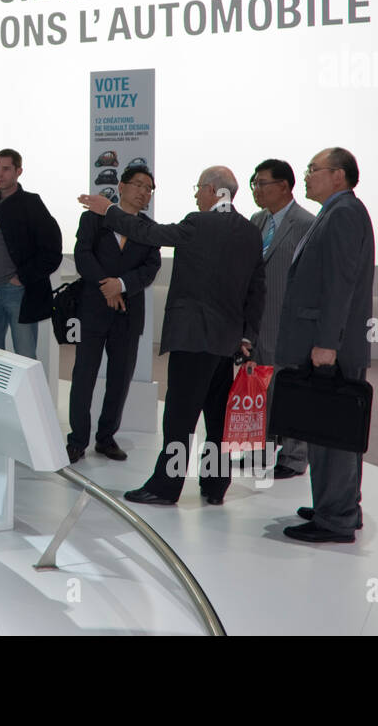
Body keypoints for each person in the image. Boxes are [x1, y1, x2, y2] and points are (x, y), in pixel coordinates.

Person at [78, 165, 265, 505]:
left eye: (198, 188)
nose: (196, 195)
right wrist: (247, 335)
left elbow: (152, 235)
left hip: (193, 337)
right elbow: (257, 287)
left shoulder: (198, 222)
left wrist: (110, 211)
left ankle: (165, 487)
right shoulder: (250, 231)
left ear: (212, 190)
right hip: (226, 342)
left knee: (180, 418)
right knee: (217, 420)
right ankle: (214, 486)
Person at [277, 147, 374, 544]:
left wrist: (326, 342)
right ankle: (339, 505)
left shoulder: (345, 213)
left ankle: (335, 517)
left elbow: (340, 284)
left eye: (313, 170)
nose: (308, 176)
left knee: (332, 432)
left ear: (339, 175)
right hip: (329, 341)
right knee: (330, 428)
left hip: (331, 345)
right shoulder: (335, 212)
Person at [66, 165, 161, 463]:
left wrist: (120, 286)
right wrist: (106, 286)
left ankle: (105, 438)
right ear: (120, 187)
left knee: (119, 380)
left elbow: (150, 268)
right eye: (138, 185)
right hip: (94, 308)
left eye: (149, 188)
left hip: (128, 313)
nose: (143, 191)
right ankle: (77, 440)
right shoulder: (93, 218)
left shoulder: (148, 228)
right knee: (84, 376)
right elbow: (83, 255)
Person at [247, 158, 315, 479]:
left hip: (287, 322)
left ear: (284, 186)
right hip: (257, 321)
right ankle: (260, 448)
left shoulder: (306, 223)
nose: (257, 190)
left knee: (288, 387)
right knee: (258, 386)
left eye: (262, 183)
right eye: (255, 183)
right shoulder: (257, 220)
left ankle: (293, 456)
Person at [0, 148, 62, 359]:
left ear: (19, 171)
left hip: (18, 292)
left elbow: (52, 249)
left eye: (6, 169)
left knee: (25, 356)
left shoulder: (31, 204)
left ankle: (27, 394)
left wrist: (21, 278)